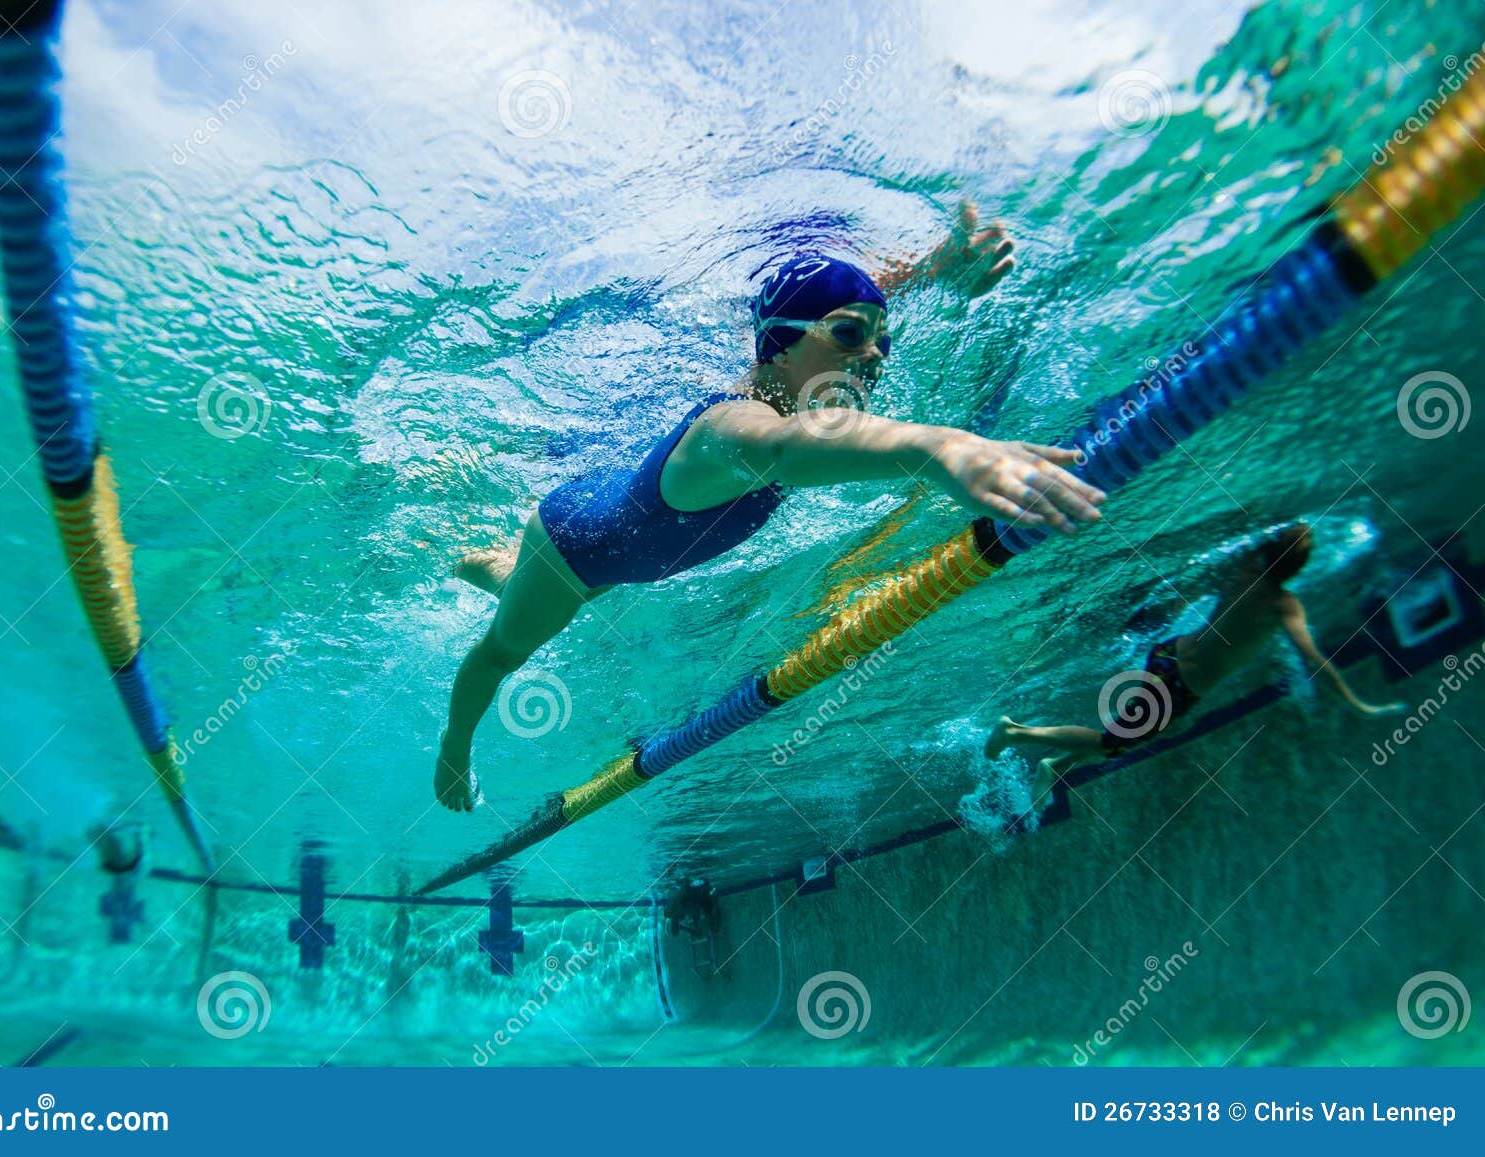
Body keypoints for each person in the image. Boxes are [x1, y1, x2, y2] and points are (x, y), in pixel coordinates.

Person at [436, 213, 1109, 811]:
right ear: (779, 346)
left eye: (880, 340)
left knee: (539, 585)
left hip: (623, 537)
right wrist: (939, 449)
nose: (873, 356)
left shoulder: (793, 371)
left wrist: (937, 264)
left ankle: (497, 565)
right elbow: (788, 448)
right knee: (506, 645)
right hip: (573, 542)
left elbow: (835, 318)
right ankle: (451, 747)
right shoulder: (732, 431)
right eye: (849, 335)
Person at [984, 522, 1405, 799]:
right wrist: (1357, 702)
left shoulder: (1241, 572)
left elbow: (1186, 585)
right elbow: (1315, 661)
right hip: (1181, 685)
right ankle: (1018, 733)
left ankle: (1056, 767)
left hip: (1169, 653)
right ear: (1297, 568)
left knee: (1126, 731)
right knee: (1111, 742)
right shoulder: (1283, 605)